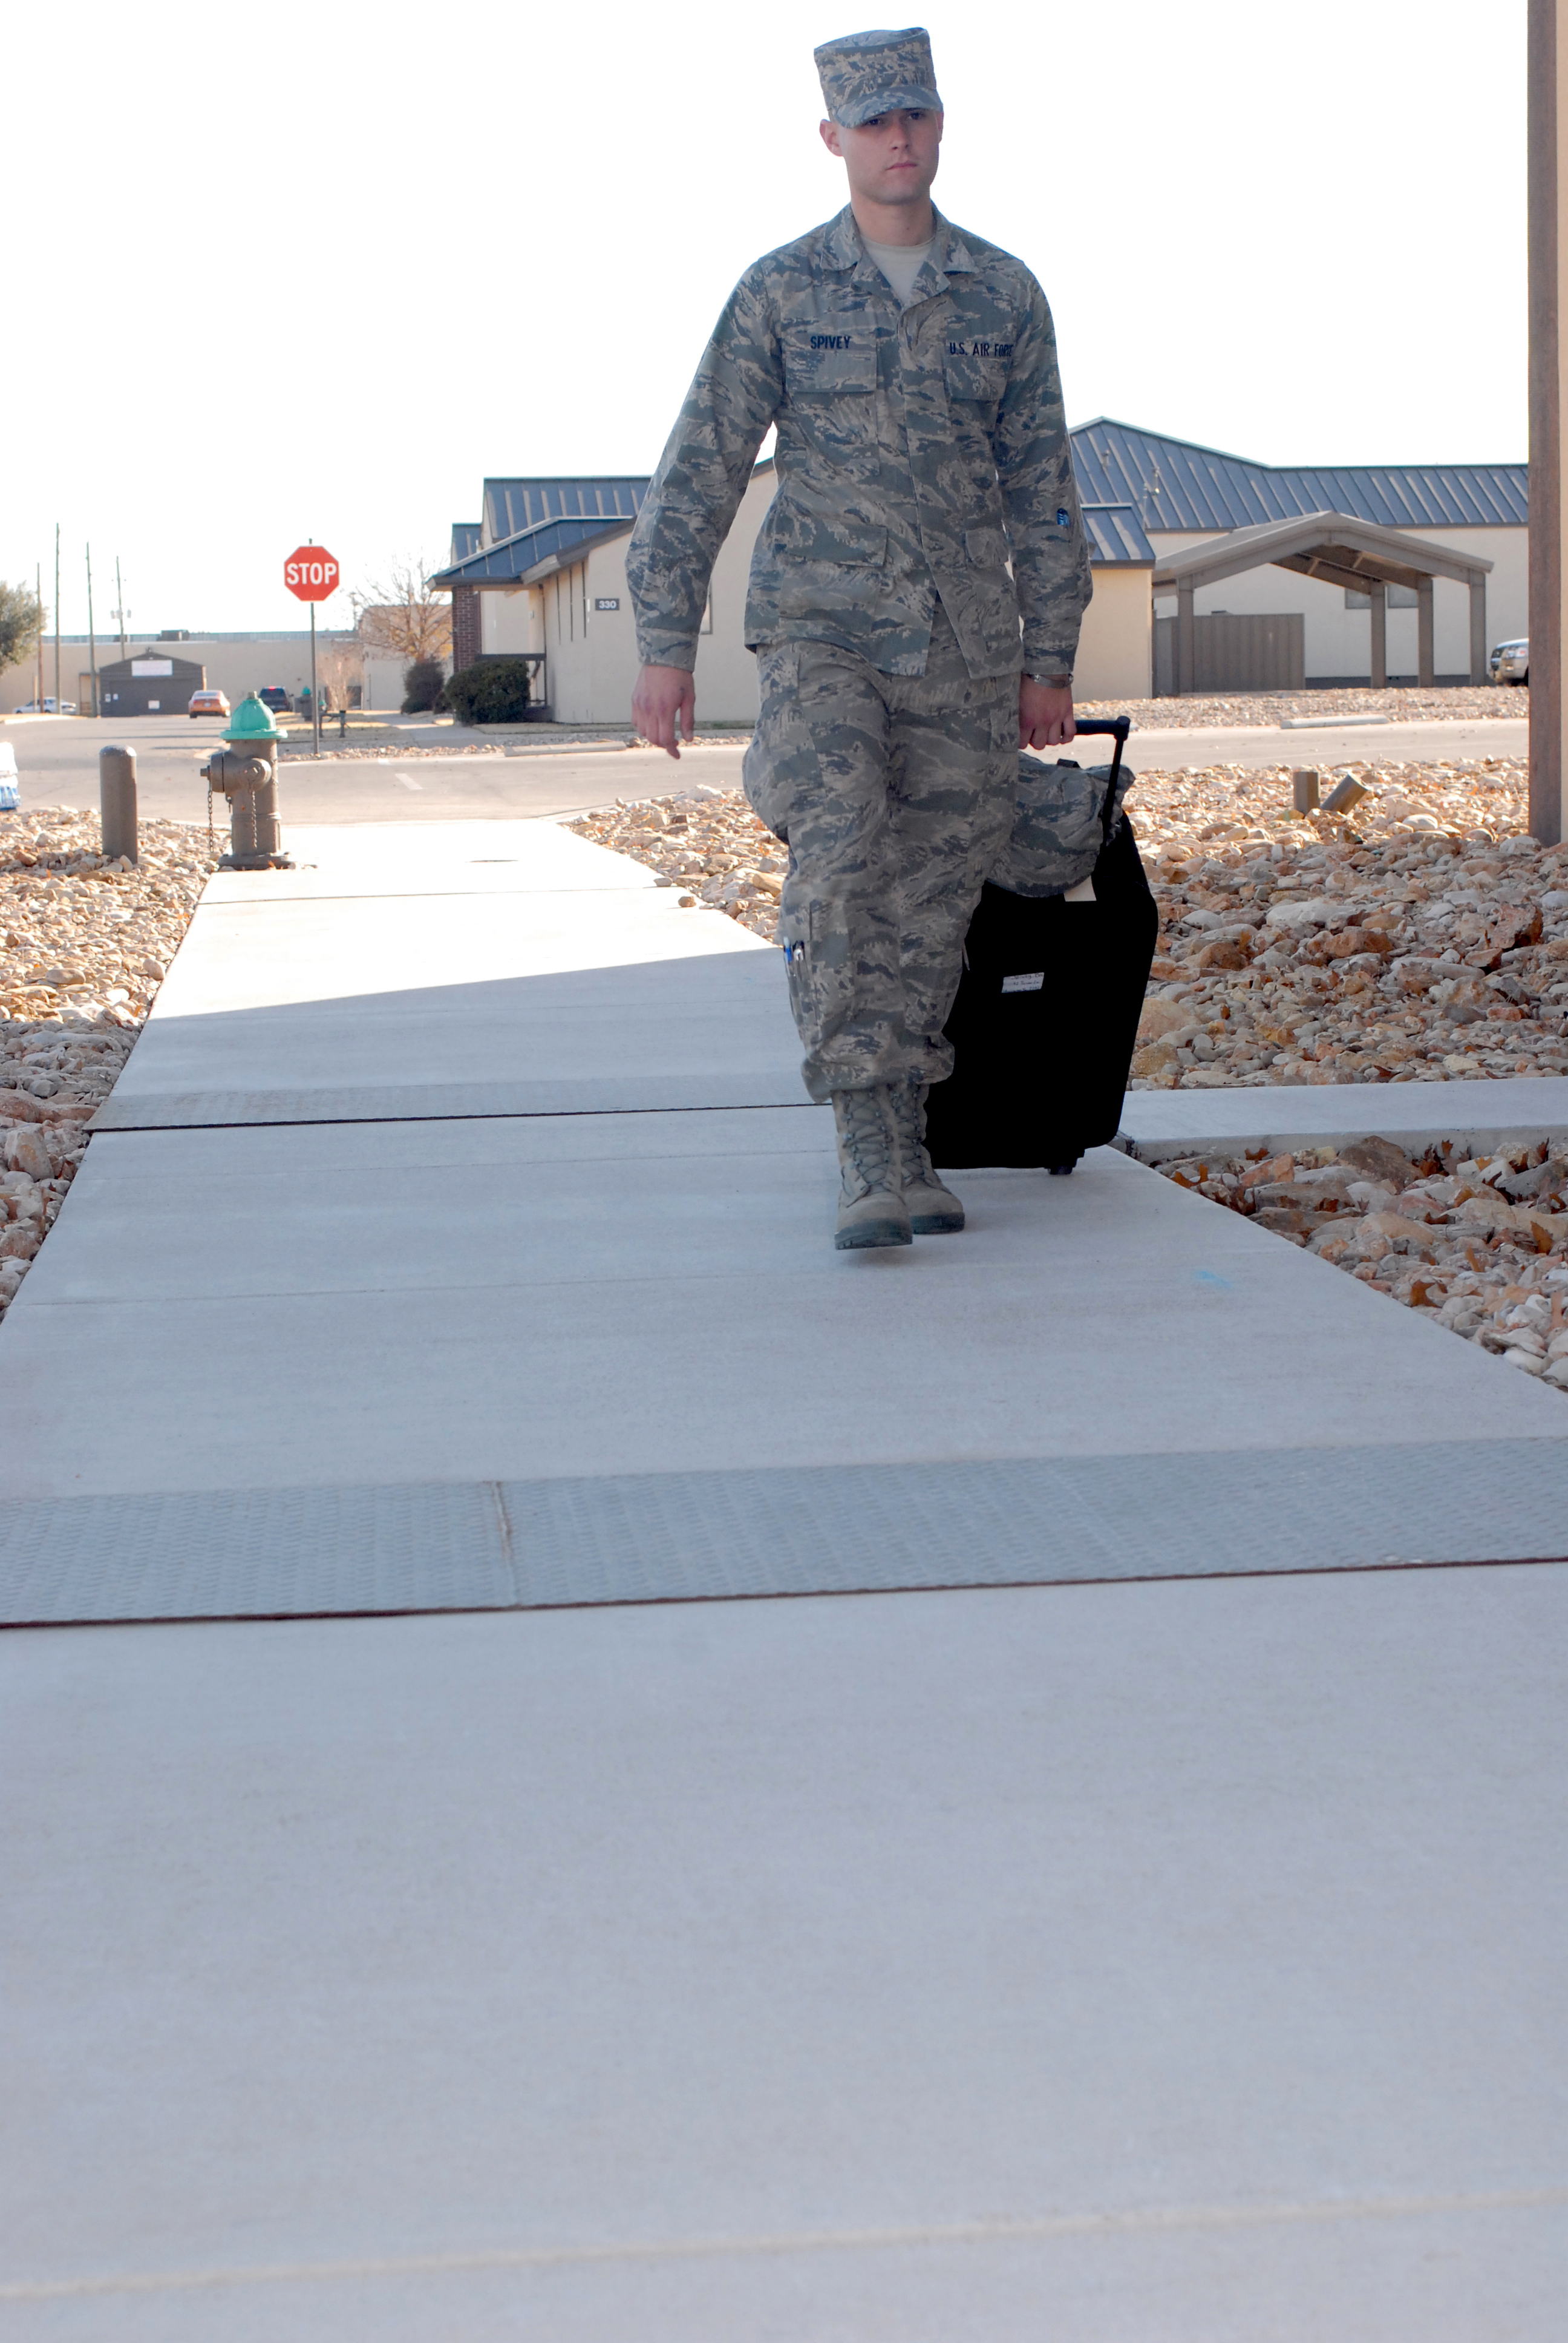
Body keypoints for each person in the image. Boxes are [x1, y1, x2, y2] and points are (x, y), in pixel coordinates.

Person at [627, 25, 1091, 1251]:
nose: (898, 139)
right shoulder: (782, 291)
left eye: (915, 116)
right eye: (875, 121)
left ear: (939, 126)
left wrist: (1050, 655)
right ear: (832, 137)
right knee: (840, 855)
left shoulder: (1004, 294)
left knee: (934, 889)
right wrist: (666, 643)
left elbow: (1044, 485)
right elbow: (701, 464)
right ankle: (862, 1138)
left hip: (965, 645)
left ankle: (905, 1131)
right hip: (822, 632)